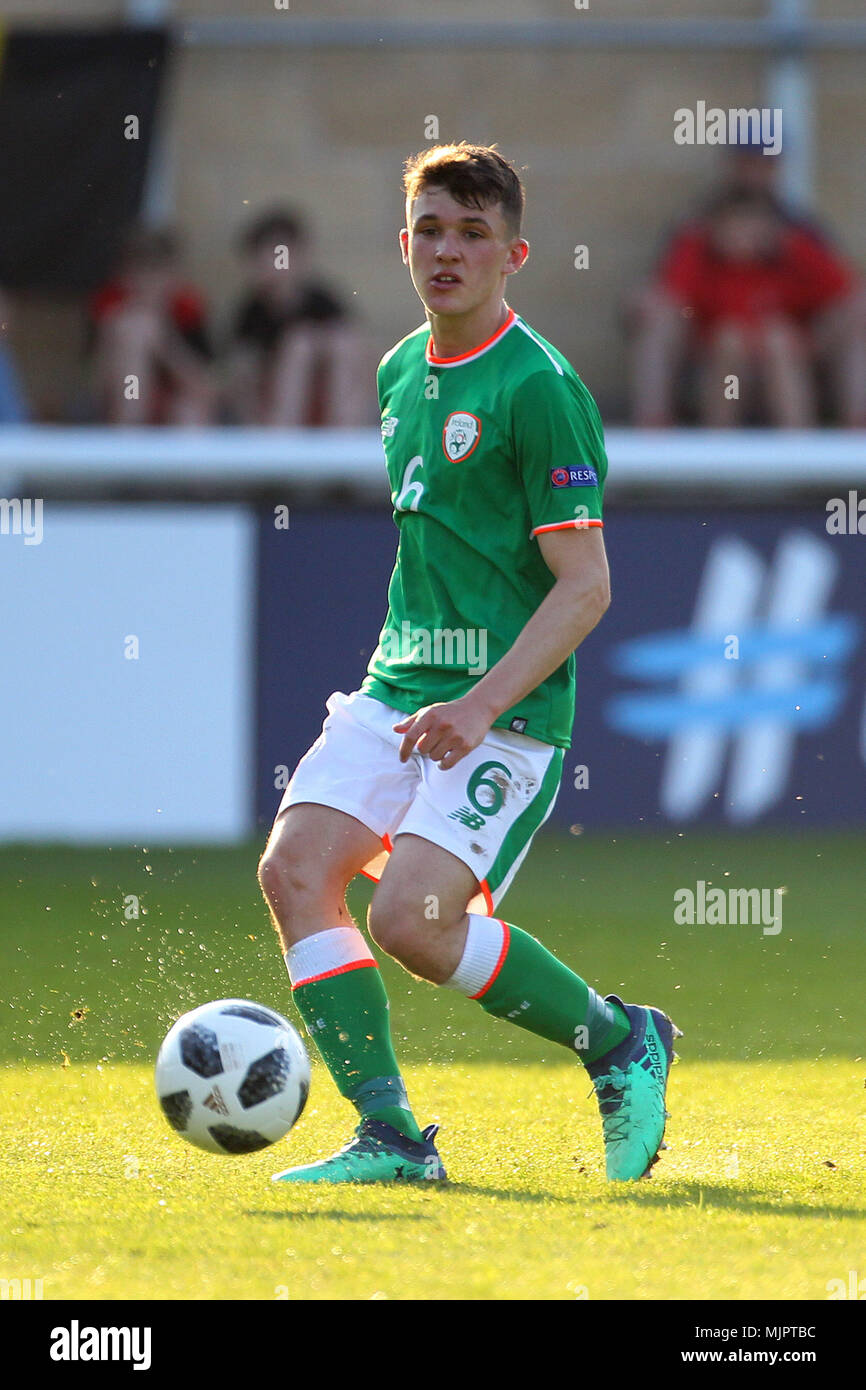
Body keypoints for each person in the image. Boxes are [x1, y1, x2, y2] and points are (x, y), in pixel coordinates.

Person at [257, 143, 680, 1186]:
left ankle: (616, 1039)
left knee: (411, 919)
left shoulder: (539, 386)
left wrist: (480, 702)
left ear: (513, 253)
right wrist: (421, 684)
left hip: (508, 712)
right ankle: (391, 1135)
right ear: (404, 244)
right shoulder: (400, 369)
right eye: (431, 230)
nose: (447, 251)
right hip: (396, 686)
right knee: (294, 870)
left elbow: (584, 585)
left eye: (471, 233)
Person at [629, 142, 866, 426]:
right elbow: (670, 296)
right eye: (737, 223)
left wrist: (806, 340)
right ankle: (685, 435)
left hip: (790, 357)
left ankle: (810, 443)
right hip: (716, 359)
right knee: (729, 340)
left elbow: (845, 292)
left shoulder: (800, 239)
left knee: (779, 341)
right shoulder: (696, 240)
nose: (745, 233)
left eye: (755, 224)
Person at [224, 208, 370, 425]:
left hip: (328, 397)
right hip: (273, 408)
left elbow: (357, 353)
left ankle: (342, 436)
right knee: (297, 346)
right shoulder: (252, 310)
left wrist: (318, 344)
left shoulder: (323, 301)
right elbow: (239, 372)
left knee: (335, 344)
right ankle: (282, 439)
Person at [89, 226, 215, 425]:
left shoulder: (186, 310)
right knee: (135, 330)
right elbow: (97, 384)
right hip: (125, 400)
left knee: (189, 410)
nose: (148, 283)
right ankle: (129, 441)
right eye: (140, 272)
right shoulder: (112, 309)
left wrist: (164, 343)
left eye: (158, 272)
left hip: (172, 400)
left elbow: (203, 387)